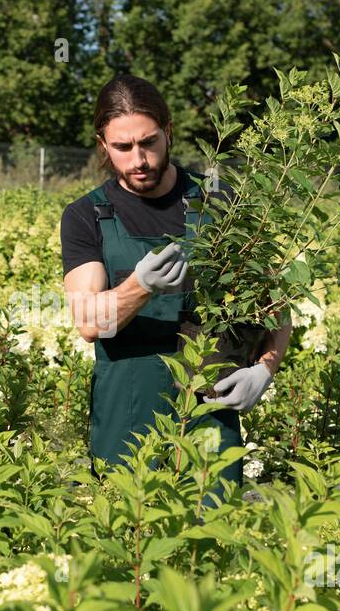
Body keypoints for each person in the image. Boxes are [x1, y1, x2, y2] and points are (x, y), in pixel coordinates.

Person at [60, 74, 292, 498]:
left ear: (168, 132)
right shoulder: (86, 216)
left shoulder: (221, 203)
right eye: (122, 148)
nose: (138, 160)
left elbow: (277, 307)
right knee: (128, 536)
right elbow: (90, 322)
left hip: (208, 405)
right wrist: (139, 285)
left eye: (148, 142)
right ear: (103, 145)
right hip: (127, 411)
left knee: (213, 534)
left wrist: (264, 369)